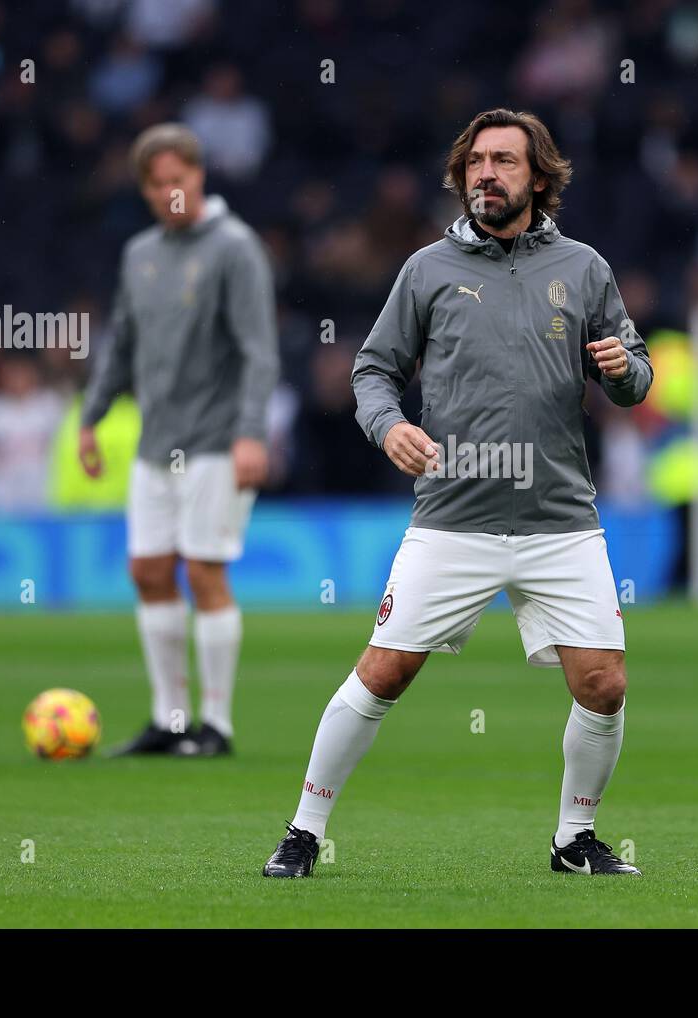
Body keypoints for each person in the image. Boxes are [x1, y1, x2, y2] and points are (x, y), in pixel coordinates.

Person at [262, 109, 653, 878]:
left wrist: (619, 370)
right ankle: (304, 832)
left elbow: (636, 375)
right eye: (475, 162)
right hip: (455, 516)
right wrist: (388, 427)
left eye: (504, 161)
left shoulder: (584, 268)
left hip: (558, 519)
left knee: (603, 684)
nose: (486, 174)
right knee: (383, 673)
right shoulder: (427, 270)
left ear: (538, 177)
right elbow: (371, 371)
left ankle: (574, 840)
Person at [78, 123, 278, 757]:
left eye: (179, 179)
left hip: (216, 441)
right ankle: (169, 720)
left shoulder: (235, 248)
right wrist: (92, 416)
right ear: (144, 188)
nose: (170, 192)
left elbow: (259, 351)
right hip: (153, 443)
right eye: (157, 183)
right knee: (147, 570)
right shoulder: (139, 253)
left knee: (204, 570)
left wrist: (251, 431)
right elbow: (122, 344)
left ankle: (215, 725)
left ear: (199, 175)